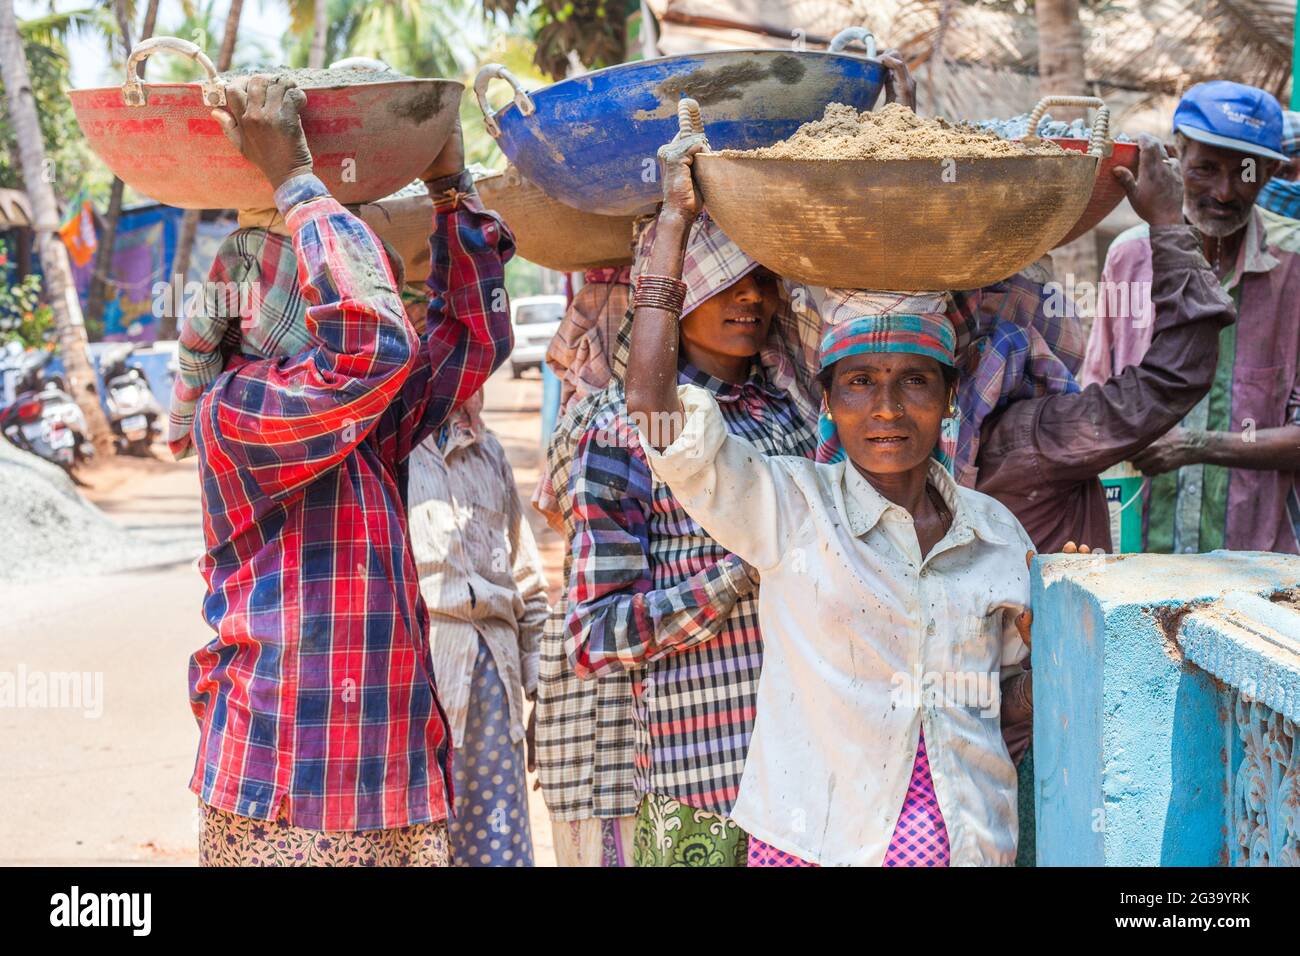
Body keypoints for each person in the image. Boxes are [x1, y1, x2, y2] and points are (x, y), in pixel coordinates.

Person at [623, 129, 1036, 866]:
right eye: (860, 383)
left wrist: (1055, 640)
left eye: (914, 380)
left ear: (948, 401)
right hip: (814, 840)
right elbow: (656, 416)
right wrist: (675, 221)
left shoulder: (998, 537)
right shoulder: (787, 507)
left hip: (972, 843)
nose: (886, 409)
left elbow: (1007, 703)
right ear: (829, 404)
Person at [175, 75, 514, 865]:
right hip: (289, 782)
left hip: (383, 775)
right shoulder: (236, 411)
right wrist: (295, 177)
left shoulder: (365, 424)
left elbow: (471, 340)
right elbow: (371, 344)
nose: (376, 294)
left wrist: (450, 190)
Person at [1082, 81, 1300, 554]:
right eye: (1204, 169)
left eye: (1244, 172)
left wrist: (1196, 445)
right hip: (1139, 552)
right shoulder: (1129, 257)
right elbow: (1095, 396)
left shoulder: (1295, 268)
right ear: (1176, 152)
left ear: (1271, 174)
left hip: (1257, 564)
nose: (1224, 192)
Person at [406, 388, 548, 867]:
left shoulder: (491, 453)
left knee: (496, 851)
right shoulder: (393, 450)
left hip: (494, 683)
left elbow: (526, 580)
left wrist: (540, 690)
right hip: (419, 682)